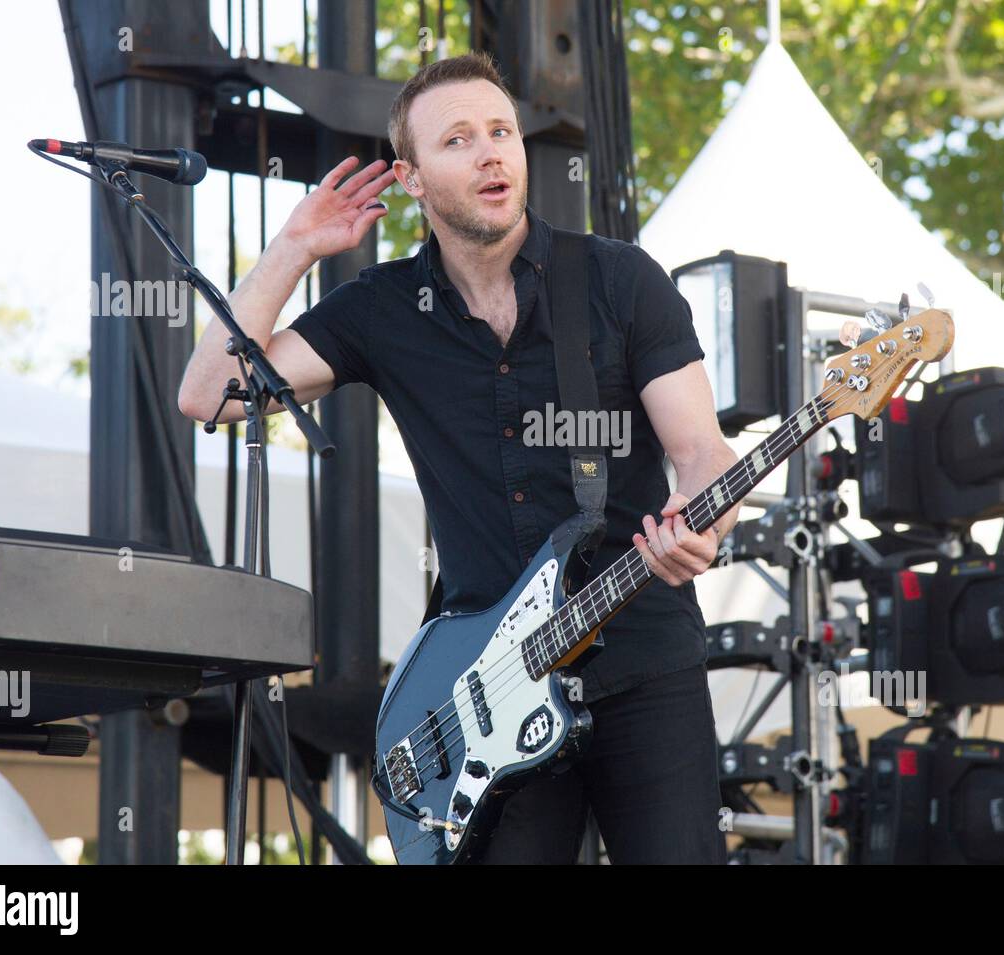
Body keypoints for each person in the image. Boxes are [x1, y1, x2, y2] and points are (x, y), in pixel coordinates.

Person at [178, 51, 741, 864]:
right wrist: (294, 248)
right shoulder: (382, 310)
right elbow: (210, 393)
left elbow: (702, 452)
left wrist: (706, 521)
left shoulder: (619, 280)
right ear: (411, 178)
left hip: (644, 659)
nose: (491, 153)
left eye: (502, 131)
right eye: (459, 139)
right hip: (488, 688)